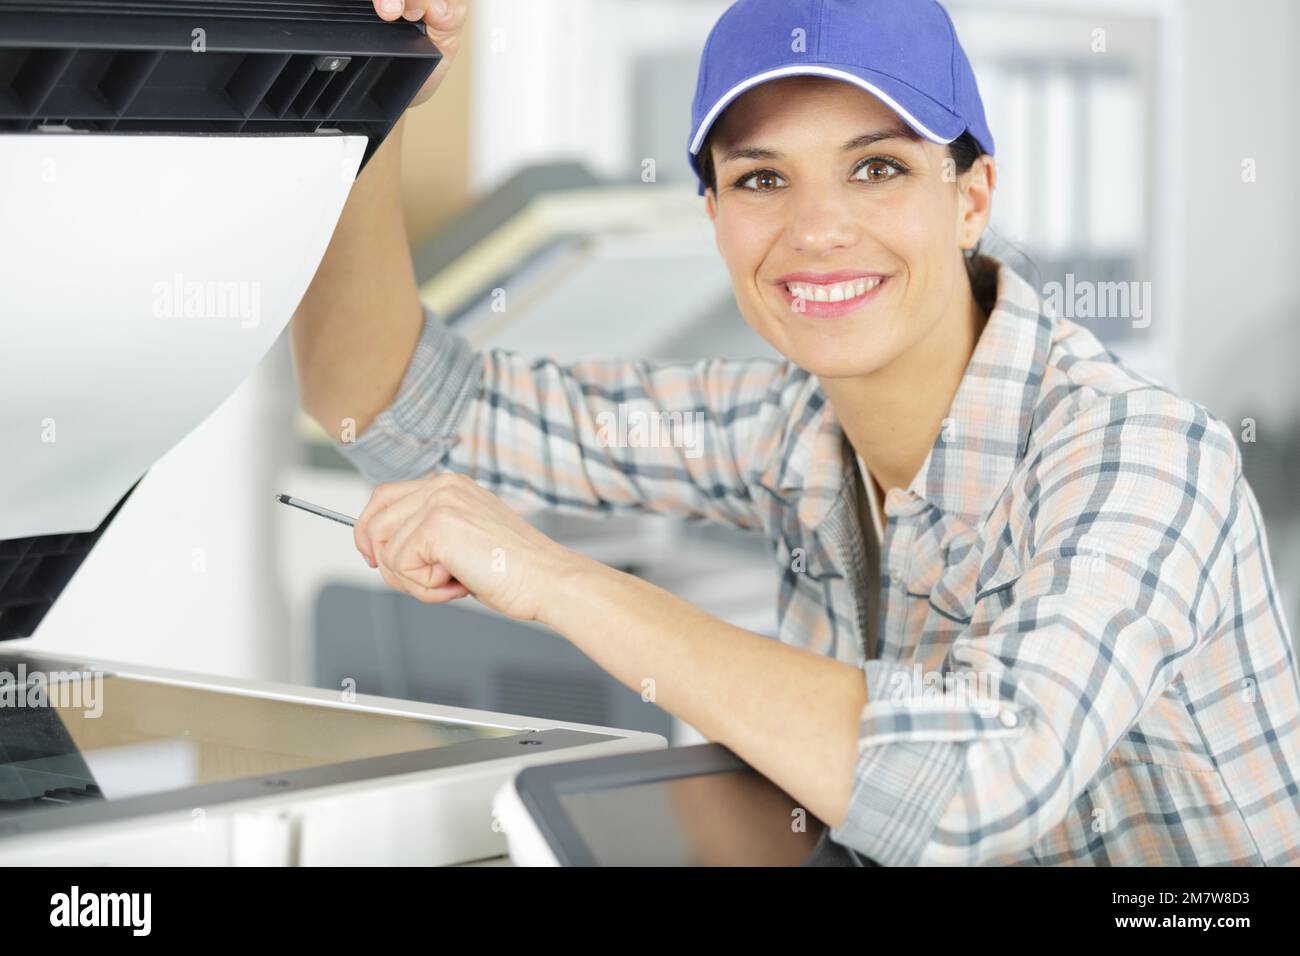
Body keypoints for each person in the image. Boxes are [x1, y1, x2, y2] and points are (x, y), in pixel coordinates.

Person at [291, 0, 1300, 865]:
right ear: (715, 212)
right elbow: (388, 406)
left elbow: (973, 782)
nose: (815, 228)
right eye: (762, 179)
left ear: (971, 197)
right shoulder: (791, 430)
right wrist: (371, 82)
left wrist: (558, 580)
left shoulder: (1144, 454)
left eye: (876, 169)